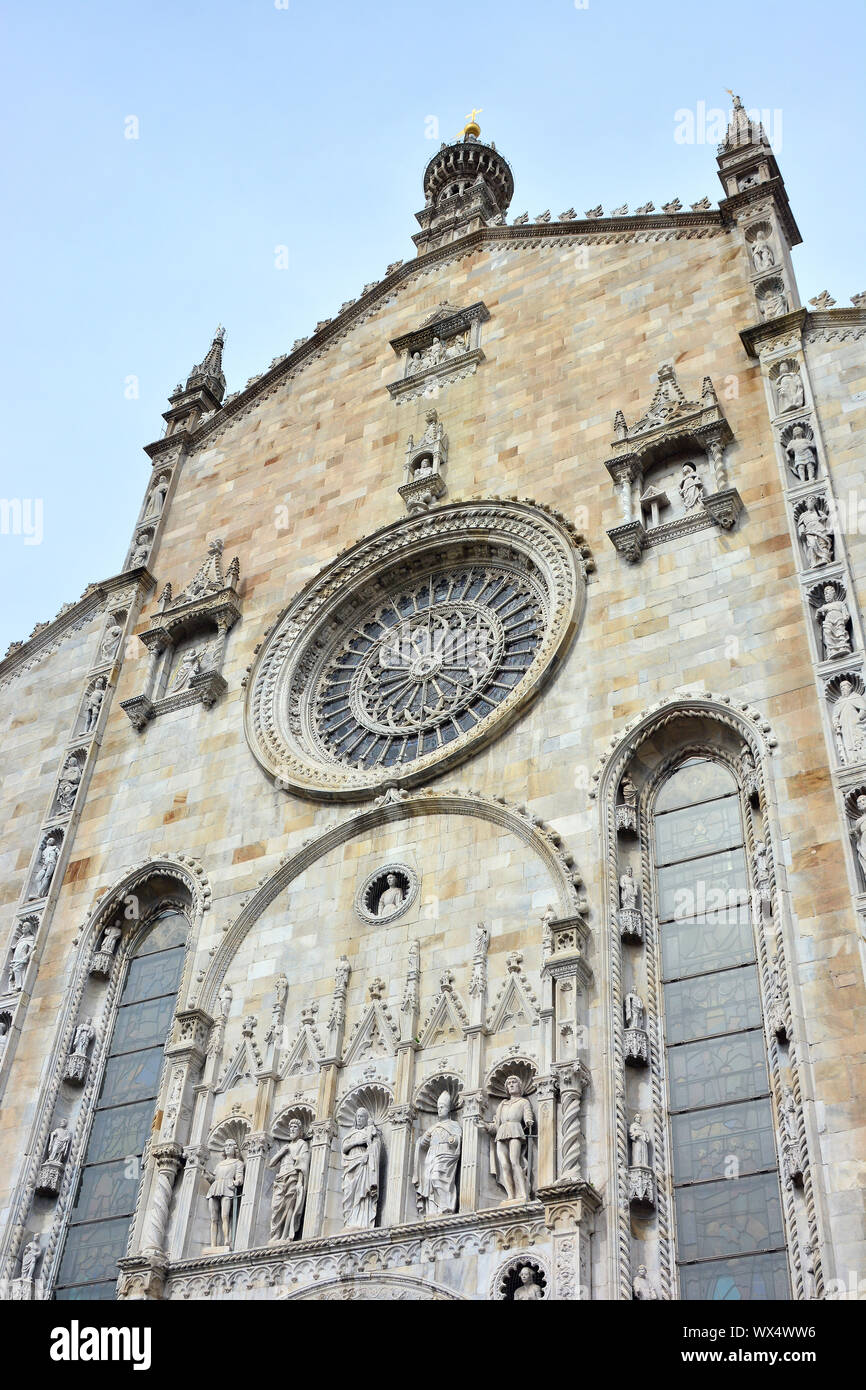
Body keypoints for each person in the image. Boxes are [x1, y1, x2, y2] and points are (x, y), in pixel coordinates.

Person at [481, 1075, 533, 1202]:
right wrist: (486, 1126)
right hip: (501, 1133)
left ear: (519, 1086)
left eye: (514, 1082)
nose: (511, 1085)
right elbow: (496, 1124)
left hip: (515, 1130)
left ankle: (523, 1193)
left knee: (515, 1162)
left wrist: (528, 1120)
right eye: (508, 1083)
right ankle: (511, 1195)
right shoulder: (502, 1104)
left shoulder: (523, 1102)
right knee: (504, 1165)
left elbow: (528, 1114)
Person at [413, 1092, 462, 1215]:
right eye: (438, 1107)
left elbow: (458, 1139)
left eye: (442, 1107)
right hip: (432, 1156)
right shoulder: (433, 1127)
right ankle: (433, 1210)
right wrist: (424, 1138)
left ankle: (446, 1207)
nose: (440, 1110)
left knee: (438, 1178)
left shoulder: (454, 1125)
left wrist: (453, 1140)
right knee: (429, 1180)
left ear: (449, 1109)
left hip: (445, 1154)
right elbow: (423, 1144)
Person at [268, 1119, 310, 1241]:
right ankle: (276, 1233)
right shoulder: (285, 1146)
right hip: (280, 1178)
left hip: (292, 1176)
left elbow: (303, 1162)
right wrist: (281, 1152)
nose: (292, 1129)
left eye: (295, 1127)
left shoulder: (302, 1144)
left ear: (300, 1131)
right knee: (276, 1206)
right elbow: (271, 1163)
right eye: (290, 1127)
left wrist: (300, 1182)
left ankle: (285, 1234)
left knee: (289, 1206)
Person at [341, 1108, 381, 1228]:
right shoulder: (351, 1133)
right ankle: (349, 1221)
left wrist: (368, 1155)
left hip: (363, 1163)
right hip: (350, 1163)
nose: (359, 1119)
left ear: (366, 1119)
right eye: (358, 1116)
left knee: (362, 1191)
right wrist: (357, 1142)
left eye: (362, 1116)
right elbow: (344, 1148)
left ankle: (361, 1222)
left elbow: (375, 1147)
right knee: (349, 1191)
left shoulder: (369, 1132)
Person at [206, 1140, 245, 1247]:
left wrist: (236, 1182)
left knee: (225, 1215)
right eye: (226, 1146)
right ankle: (213, 1244)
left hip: (228, 1187)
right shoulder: (219, 1165)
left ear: (235, 1149)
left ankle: (226, 1240)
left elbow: (239, 1177)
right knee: (213, 1218)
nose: (227, 1147)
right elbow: (213, 1178)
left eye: (230, 1146)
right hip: (215, 1188)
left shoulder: (238, 1163)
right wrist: (206, 1174)